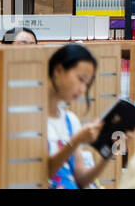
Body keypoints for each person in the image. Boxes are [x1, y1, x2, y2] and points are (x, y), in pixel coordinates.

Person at [46, 43, 117, 189]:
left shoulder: (70, 121)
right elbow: (43, 172)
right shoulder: (31, 121)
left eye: (87, 83)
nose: (83, 89)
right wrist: (76, 140)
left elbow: (81, 180)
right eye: (81, 79)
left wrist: (109, 152)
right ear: (58, 70)